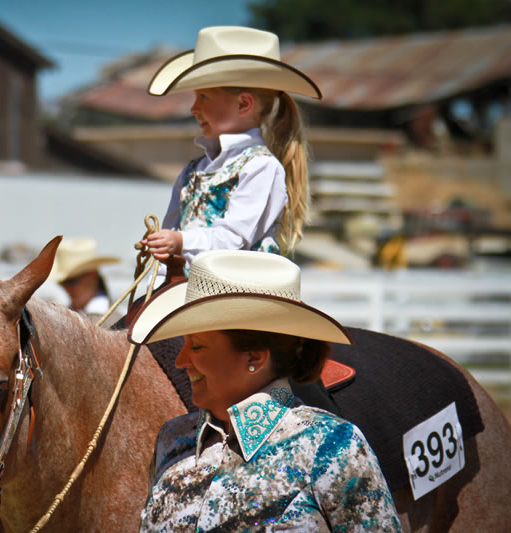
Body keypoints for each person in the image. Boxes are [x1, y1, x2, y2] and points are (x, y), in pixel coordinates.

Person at [128, 250, 401, 531]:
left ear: (254, 358)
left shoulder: (331, 446)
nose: (180, 360)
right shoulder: (171, 440)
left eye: (196, 346)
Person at [141, 26, 320, 272]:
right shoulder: (192, 171)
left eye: (203, 97)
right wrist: (162, 252)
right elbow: (172, 229)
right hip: (187, 287)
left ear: (244, 103)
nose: (194, 108)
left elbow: (233, 238)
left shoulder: (261, 167)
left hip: (238, 290)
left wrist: (180, 242)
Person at [50, 238, 122, 325]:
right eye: (62, 283)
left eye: (72, 282)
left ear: (93, 276)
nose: (66, 288)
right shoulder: (61, 316)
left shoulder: (115, 323)